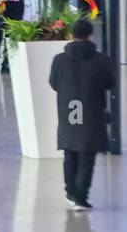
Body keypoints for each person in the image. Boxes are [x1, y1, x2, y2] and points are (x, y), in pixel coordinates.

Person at [49, 19, 114, 210]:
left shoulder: (59, 59)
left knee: (70, 152)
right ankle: (80, 196)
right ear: (90, 35)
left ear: (72, 35)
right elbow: (110, 83)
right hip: (92, 111)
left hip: (69, 110)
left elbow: (53, 83)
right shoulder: (102, 60)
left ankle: (70, 192)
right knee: (87, 154)